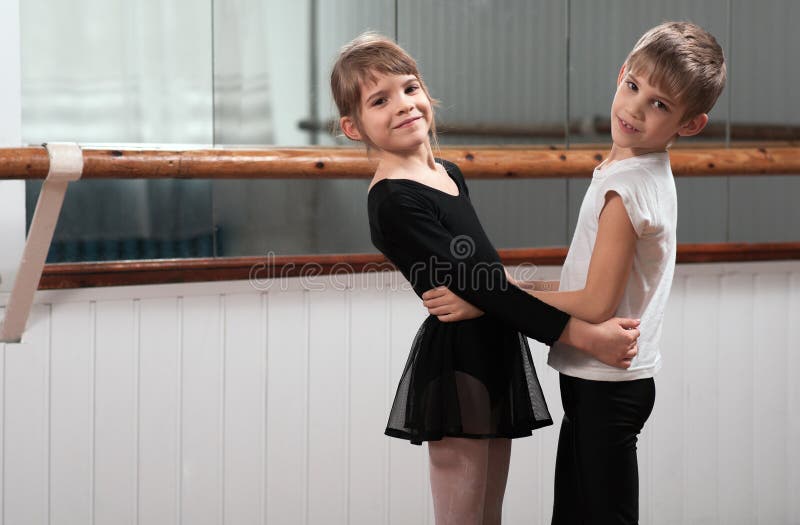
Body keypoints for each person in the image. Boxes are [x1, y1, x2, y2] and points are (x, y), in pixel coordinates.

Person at [422, 21, 726, 524]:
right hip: (598, 381)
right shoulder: (629, 173)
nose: (635, 109)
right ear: (621, 74)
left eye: (659, 105)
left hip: (607, 385)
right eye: (635, 87)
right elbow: (581, 288)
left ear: (690, 124)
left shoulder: (627, 190)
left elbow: (594, 304)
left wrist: (491, 300)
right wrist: (511, 288)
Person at [330, 32, 640, 525]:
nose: (403, 104)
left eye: (409, 88)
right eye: (379, 100)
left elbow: (484, 281)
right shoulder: (393, 200)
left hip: (496, 350)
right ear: (353, 126)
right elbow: (485, 285)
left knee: (489, 515)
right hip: (458, 364)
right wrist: (585, 336)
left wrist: (483, 297)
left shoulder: (449, 173)